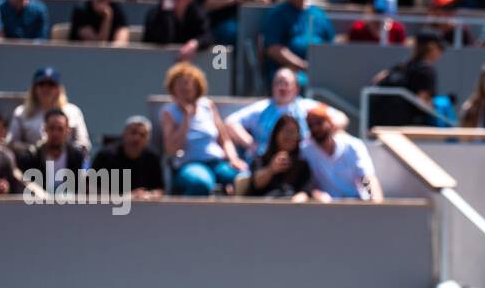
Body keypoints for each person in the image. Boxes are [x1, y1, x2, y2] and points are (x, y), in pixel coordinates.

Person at [160, 61, 246, 196]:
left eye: (189, 83)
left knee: (244, 178)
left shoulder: (208, 105)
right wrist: (187, 118)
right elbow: (171, 148)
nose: (185, 87)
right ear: (173, 88)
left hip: (216, 162)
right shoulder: (168, 112)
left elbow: (224, 139)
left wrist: (233, 159)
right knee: (201, 183)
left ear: (197, 86)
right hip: (189, 164)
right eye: (180, 83)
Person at [226, 66, 347, 156]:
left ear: (296, 88)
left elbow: (341, 118)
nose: (282, 87)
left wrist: (320, 136)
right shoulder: (261, 108)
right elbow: (230, 122)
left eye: (286, 83)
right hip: (266, 160)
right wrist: (252, 144)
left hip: (302, 161)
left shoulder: (307, 106)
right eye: (278, 83)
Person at [260, 0, 334, 86]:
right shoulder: (277, 14)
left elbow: (330, 44)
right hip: (288, 70)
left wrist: (322, 68)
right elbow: (273, 49)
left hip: (319, 70)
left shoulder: (319, 14)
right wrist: (302, 66)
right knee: (302, 83)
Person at [302, 105, 382, 200]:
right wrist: (316, 194)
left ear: (331, 124)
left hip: (355, 203)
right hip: (325, 207)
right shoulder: (306, 150)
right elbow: (307, 184)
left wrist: (373, 197)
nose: (315, 128)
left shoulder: (353, 146)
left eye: (319, 123)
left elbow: (365, 177)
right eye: (310, 125)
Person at [368, 30, 444, 127]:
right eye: (441, 48)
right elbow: (423, 103)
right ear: (432, 48)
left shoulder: (401, 66)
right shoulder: (426, 70)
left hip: (382, 124)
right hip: (410, 128)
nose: (441, 53)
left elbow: (376, 80)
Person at [9, 67, 91, 153]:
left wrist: (62, 153)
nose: (46, 88)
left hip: (67, 163)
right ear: (34, 89)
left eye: (51, 85)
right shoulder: (21, 112)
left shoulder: (73, 112)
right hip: (31, 163)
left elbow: (83, 144)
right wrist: (33, 149)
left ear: (59, 89)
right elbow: (11, 143)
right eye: (41, 84)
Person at [250, 114, 323, 199]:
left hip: (291, 209)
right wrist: (271, 169)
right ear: (276, 134)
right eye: (288, 132)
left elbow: (306, 190)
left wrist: (300, 197)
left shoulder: (302, 165)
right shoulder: (260, 160)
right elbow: (256, 184)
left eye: (295, 133)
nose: (292, 137)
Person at [89, 115, 165, 197]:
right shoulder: (106, 155)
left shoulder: (152, 158)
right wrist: (123, 196)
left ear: (148, 139)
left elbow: (160, 190)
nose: (136, 138)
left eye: (142, 135)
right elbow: (89, 186)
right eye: (133, 132)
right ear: (124, 134)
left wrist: (149, 195)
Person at [143, 0, 211, 60]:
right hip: (155, 59)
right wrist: (167, 14)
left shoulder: (198, 14)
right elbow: (164, 39)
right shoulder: (155, 14)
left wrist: (194, 43)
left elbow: (207, 36)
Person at [20, 107, 88, 176]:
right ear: (45, 129)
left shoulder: (76, 157)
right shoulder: (32, 157)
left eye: (60, 129)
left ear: (67, 131)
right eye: (51, 128)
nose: (55, 133)